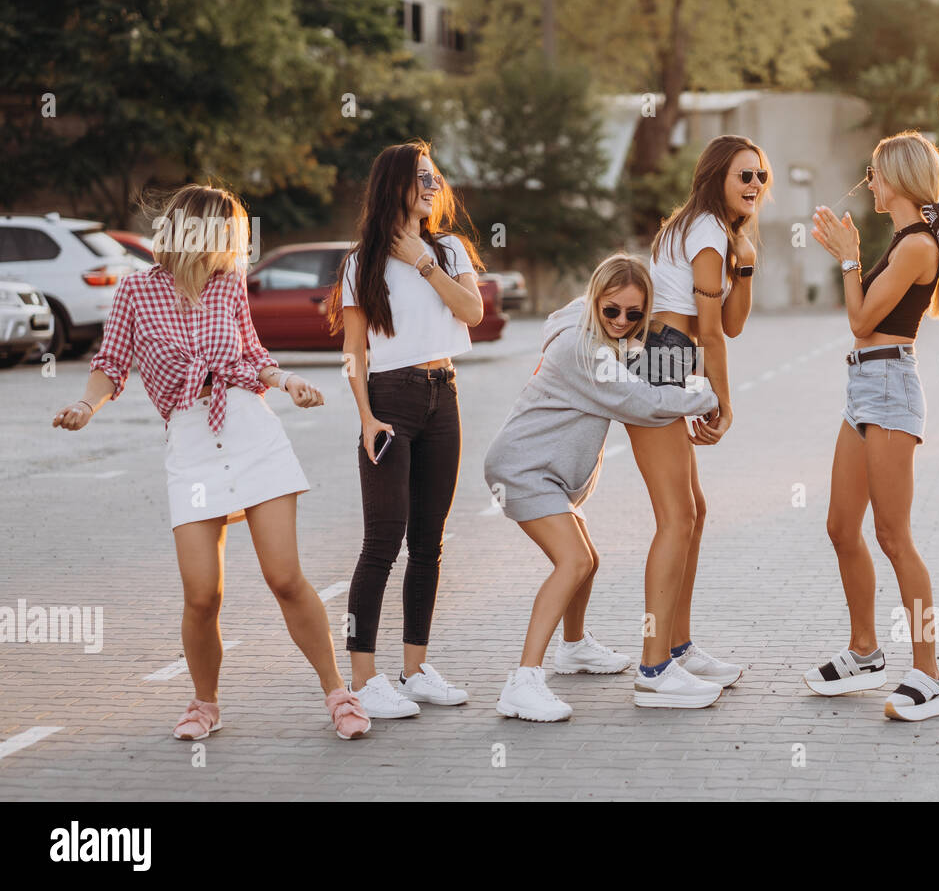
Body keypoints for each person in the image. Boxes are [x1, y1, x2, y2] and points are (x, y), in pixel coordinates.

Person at [53, 184, 370, 741]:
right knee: (202, 593)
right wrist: (85, 403)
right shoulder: (135, 292)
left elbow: (252, 355)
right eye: (225, 230)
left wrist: (289, 381)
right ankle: (205, 703)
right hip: (192, 444)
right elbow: (111, 363)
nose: (233, 242)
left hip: (252, 434)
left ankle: (338, 693)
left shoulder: (229, 289)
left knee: (285, 577)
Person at [485, 254, 719, 720]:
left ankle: (573, 649)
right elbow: (643, 401)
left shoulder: (593, 331)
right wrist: (710, 395)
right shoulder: (582, 349)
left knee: (587, 560)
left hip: (544, 472)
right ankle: (522, 681)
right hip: (522, 471)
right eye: (611, 310)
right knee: (572, 561)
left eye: (634, 315)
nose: (621, 322)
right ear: (595, 300)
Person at [805, 131, 939, 720]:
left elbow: (860, 320)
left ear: (899, 179)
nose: (869, 183)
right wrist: (852, 254)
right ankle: (865, 650)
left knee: (893, 536)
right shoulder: (906, 239)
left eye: (875, 174)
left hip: (890, 388)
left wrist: (849, 256)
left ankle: (929, 674)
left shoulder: (917, 245)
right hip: (863, 387)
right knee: (839, 526)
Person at [325, 140, 484, 719]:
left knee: (429, 541)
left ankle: (414, 670)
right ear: (393, 183)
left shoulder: (448, 249)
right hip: (390, 398)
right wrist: (365, 417)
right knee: (381, 541)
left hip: (445, 393)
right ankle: (363, 678)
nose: (432, 185)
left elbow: (471, 313)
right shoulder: (360, 262)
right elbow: (354, 353)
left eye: (435, 177)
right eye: (421, 177)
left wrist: (423, 262)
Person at [624, 134, 767, 707]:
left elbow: (729, 323)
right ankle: (655, 669)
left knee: (693, 511)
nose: (755, 185)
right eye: (744, 176)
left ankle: (678, 649)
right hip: (663, 355)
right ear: (717, 178)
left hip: (669, 358)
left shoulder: (714, 232)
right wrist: (723, 401)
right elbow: (710, 333)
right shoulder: (705, 230)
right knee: (677, 516)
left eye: (761, 176)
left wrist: (749, 265)